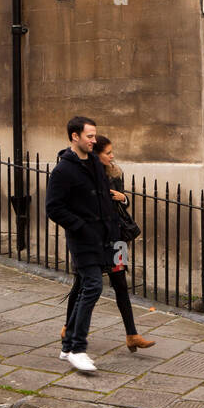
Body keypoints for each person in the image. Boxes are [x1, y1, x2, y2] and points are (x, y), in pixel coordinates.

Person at [45, 116, 119, 373]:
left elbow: (103, 201)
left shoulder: (96, 166)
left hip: (101, 239)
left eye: (94, 135)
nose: (94, 140)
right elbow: (53, 207)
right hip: (82, 240)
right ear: (74, 137)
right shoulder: (63, 170)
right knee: (93, 287)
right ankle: (78, 348)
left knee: (89, 287)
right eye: (89, 136)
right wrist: (81, 227)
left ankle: (67, 347)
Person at [88, 136, 155, 352]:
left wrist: (122, 198)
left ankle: (132, 334)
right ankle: (69, 328)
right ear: (97, 155)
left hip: (117, 239)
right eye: (108, 152)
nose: (112, 155)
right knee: (84, 284)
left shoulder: (115, 173)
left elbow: (123, 203)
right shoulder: (87, 175)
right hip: (97, 238)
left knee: (121, 285)